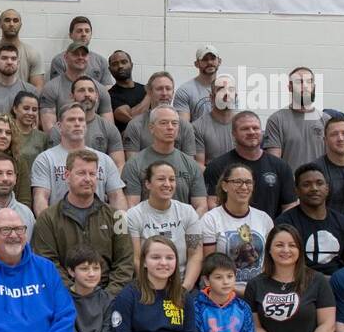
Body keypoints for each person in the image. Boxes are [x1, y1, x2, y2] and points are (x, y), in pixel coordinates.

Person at [33, 148, 134, 296]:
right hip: (64, 299)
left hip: (108, 299)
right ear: (67, 176)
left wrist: (108, 297)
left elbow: (124, 263)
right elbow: (47, 264)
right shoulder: (48, 218)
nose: (88, 179)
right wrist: (74, 294)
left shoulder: (116, 217)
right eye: (81, 173)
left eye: (92, 174)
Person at [31, 102, 126, 215]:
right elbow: (41, 198)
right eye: (71, 120)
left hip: (97, 225)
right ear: (59, 126)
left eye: (81, 120)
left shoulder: (104, 160)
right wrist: (48, 227)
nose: (77, 124)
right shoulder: (45, 159)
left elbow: (116, 197)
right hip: (60, 226)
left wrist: (120, 229)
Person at [126, 161, 205, 291]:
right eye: (161, 179)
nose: (167, 184)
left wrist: (185, 288)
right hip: (147, 286)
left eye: (172, 179)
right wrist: (151, 288)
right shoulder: (134, 215)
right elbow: (136, 258)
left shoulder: (188, 212)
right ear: (148, 184)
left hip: (181, 284)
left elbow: (195, 254)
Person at [203, 110, 296, 218]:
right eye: (245, 128)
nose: (252, 132)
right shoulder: (217, 166)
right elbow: (212, 203)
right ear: (233, 133)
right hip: (230, 232)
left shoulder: (281, 166)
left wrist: (276, 231)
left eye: (255, 128)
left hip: (270, 231)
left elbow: (290, 206)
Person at [199, 163, 275, 293]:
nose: (244, 187)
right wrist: (240, 292)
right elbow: (208, 267)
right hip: (222, 293)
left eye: (248, 182)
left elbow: (269, 262)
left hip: (258, 292)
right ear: (224, 186)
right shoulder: (210, 219)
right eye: (237, 181)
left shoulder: (264, 219)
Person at [275, 164, 344, 275]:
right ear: (296, 190)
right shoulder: (285, 224)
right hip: (299, 285)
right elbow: (284, 268)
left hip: (337, 286)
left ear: (327, 188)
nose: (314, 188)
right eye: (307, 184)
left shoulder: (343, 222)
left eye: (319, 183)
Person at [122, 107, 207, 212]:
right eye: (164, 123)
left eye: (174, 123)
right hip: (147, 225)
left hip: (183, 225)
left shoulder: (191, 165)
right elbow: (131, 206)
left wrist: (190, 226)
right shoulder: (134, 164)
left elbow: (201, 206)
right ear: (151, 128)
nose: (170, 127)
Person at [42, 76, 126, 169]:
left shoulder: (109, 128)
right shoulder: (59, 130)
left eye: (90, 90)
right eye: (81, 90)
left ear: (97, 96)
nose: (87, 94)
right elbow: (54, 166)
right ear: (71, 96)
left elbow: (119, 165)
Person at [121, 73, 201, 160]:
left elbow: (189, 165)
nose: (164, 93)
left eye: (168, 89)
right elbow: (132, 164)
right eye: (159, 89)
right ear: (149, 92)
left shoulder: (185, 126)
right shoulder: (135, 125)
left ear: (173, 92)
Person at [38, 40, 114, 131]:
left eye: (84, 55)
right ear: (65, 57)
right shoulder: (51, 88)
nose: (80, 57)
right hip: (64, 141)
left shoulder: (100, 89)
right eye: (75, 54)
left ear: (88, 58)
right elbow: (49, 130)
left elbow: (109, 128)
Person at [264, 66, 326, 169]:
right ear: (290, 87)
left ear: (314, 86)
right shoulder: (276, 120)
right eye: (299, 82)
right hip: (290, 183)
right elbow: (274, 164)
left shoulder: (326, 120)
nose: (305, 86)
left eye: (309, 82)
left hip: (319, 183)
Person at [0, 9, 45, 90]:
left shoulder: (33, 54)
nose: (11, 24)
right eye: (7, 20)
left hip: (25, 101)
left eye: (15, 21)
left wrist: (24, 102)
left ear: (20, 25)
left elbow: (38, 89)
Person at [47, 15, 114, 87]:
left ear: (91, 35)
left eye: (87, 31)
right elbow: (57, 88)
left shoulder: (101, 61)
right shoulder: (59, 60)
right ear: (70, 35)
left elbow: (107, 88)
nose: (84, 34)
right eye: (79, 31)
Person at [191, 72, 240, 164]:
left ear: (236, 96)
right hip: (212, 177)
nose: (226, 94)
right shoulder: (197, 127)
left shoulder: (245, 124)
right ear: (211, 97)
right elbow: (199, 166)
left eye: (231, 90)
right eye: (221, 90)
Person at [173, 45, 222, 121]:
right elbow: (184, 127)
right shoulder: (185, 91)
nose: (209, 62)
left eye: (213, 58)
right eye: (204, 59)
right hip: (196, 133)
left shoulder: (227, 89)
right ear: (196, 64)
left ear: (219, 61)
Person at [108, 50, 147, 128]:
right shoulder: (110, 95)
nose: (120, 66)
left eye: (124, 62)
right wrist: (149, 95)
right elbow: (131, 118)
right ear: (110, 70)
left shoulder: (144, 89)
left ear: (131, 65)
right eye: (115, 64)